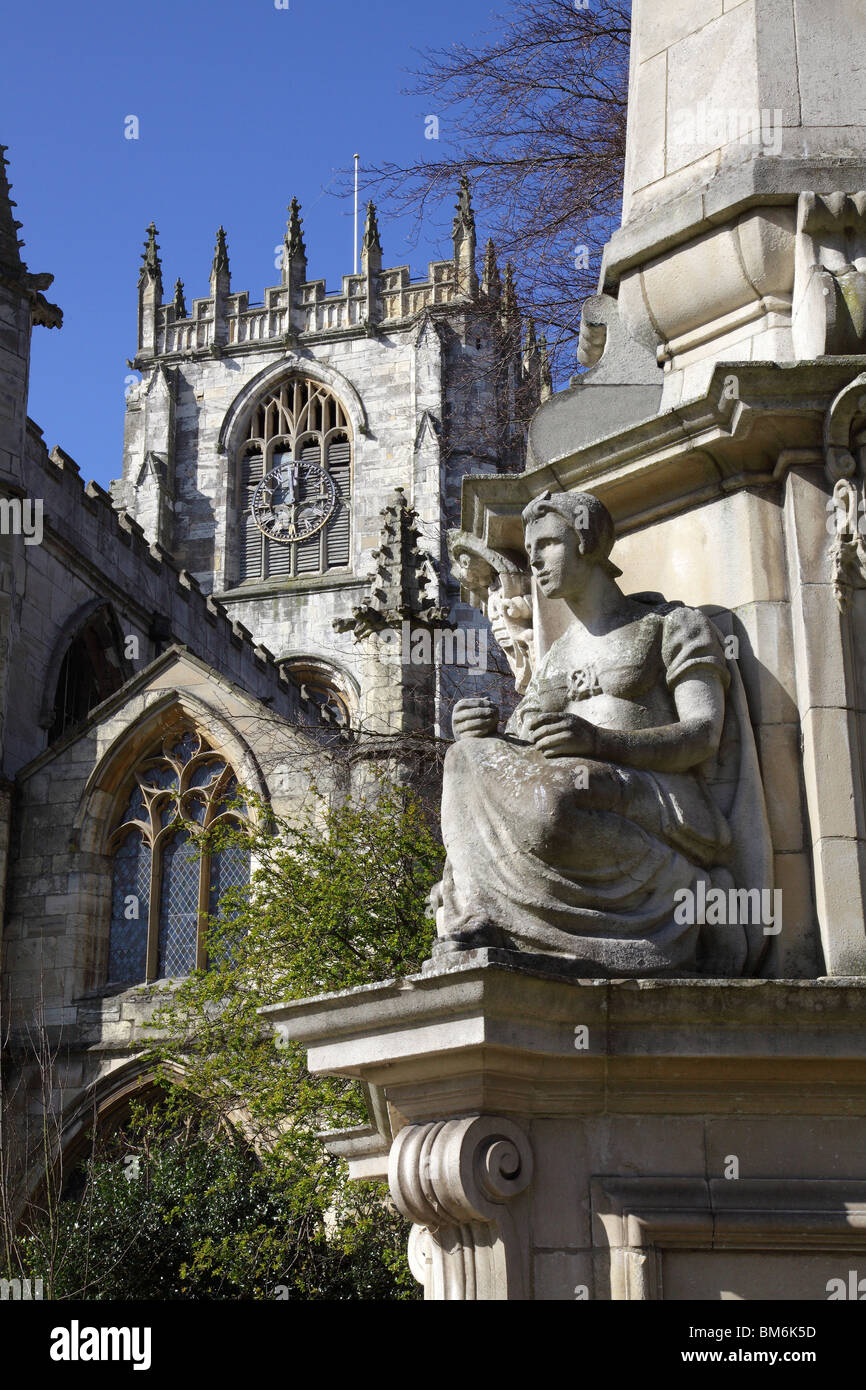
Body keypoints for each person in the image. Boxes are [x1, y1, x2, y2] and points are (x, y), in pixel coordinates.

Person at [435, 489, 759, 975]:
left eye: (548, 544)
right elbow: (523, 750)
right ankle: (481, 909)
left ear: (587, 541)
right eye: (530, 549)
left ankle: (687, 889)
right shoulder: (555, 659)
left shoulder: (670, 625)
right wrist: (483, 733)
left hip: (652, 792)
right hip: (572, 784)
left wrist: (602, 743)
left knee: (560, 795)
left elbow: (703, 734)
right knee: (465, 758)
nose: (536, 560)